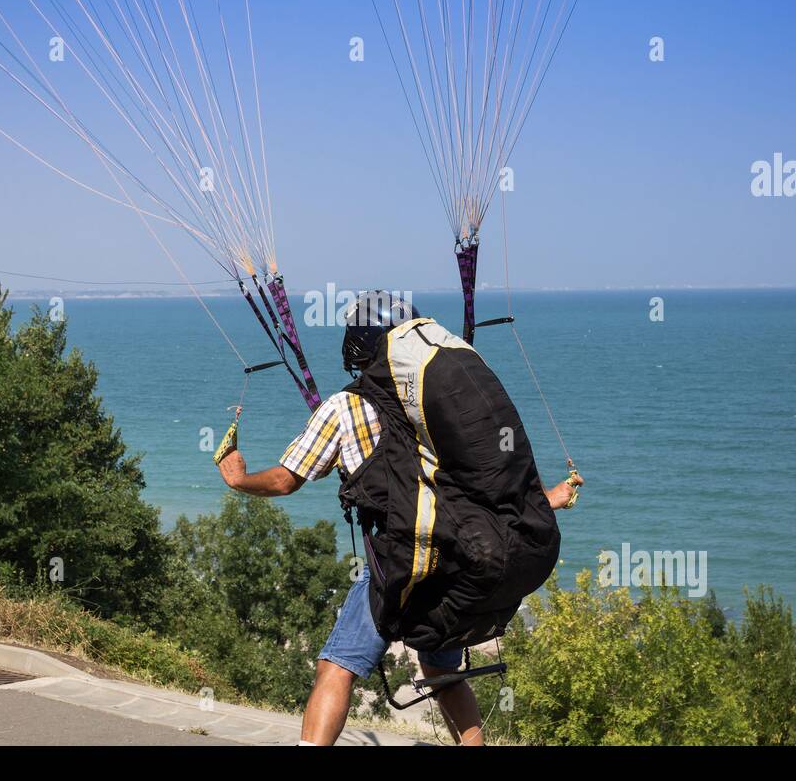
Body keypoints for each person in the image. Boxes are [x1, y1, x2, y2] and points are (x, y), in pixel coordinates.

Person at [217, 291, 581, 745]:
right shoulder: (435, 408)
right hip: (453, 559)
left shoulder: (345, 408)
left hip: (399, 565)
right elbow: (479, 484)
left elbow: (285, 481)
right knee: (440, 668)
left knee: (338, 665)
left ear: (359, 345)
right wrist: (549, 498)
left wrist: (239, 478)